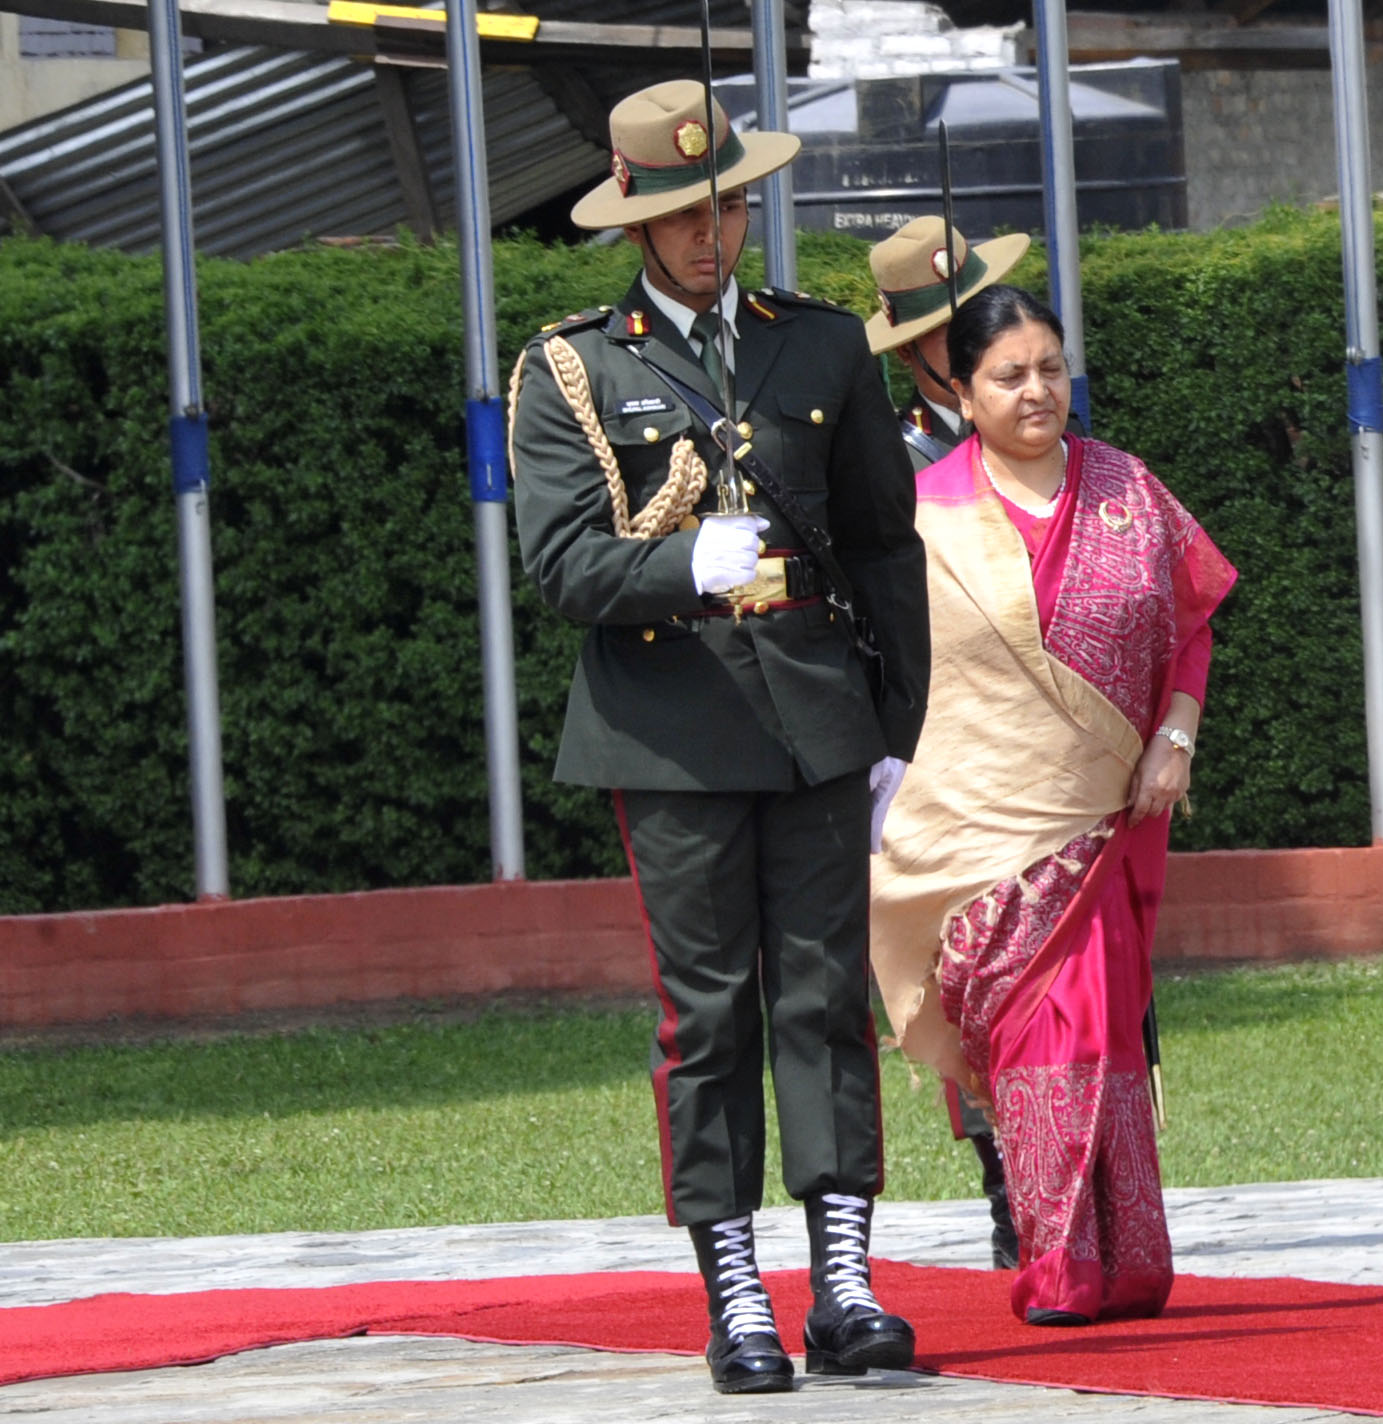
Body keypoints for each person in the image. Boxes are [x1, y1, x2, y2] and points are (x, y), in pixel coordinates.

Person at [508, 80, 931, 1392]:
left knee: (822, 995)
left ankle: (846, 1280)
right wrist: (688, 558)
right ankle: (736, 1288)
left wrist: (901, 728)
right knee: (710, 1013)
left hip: (813, 721)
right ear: (636, 224)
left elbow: (878, 540)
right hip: (674, 733)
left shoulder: (818, 348)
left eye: (731, 203)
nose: (714, 234)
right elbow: (563, 564)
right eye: (689, 214)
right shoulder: (578, 368)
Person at [868, 285, 1236, 1324]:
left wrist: (1176, 733)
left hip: (1110, 816)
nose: (1036, 391)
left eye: (1050, 368)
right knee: (1041, 1033)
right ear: (961, 388)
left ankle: (1130, 1261)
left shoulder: (1127, 487)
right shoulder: (924, 512)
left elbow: (1193, 615)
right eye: (1008, 374)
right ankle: (1060, 1267)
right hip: (981, 831)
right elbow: (888, 667)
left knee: (1106, 1030)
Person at [859, 216, 1033, 1268]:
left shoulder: (1037, 433)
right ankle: (1012, 1182)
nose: (973, 340)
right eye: (948, 328)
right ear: (917, 351)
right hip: (945, 748)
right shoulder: (890, 459)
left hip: (1052, 744)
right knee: (974, 972)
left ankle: (1091, 1165)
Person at [862, 215, 1032, 474]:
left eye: (985, 319)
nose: (979, 340)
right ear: (906, 350)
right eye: (952, 329)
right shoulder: (891, 461)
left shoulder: (1047, 424)